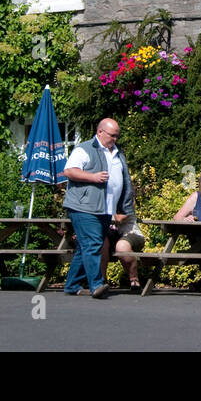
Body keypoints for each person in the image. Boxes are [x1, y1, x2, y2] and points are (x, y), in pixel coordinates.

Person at [62, 118, 133, 299]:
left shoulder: (117, 153)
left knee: (85, 246)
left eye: (117, 136)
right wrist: (92, 177)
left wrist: (123, 206)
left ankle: (72, 285)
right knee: (93, 244)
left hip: (105, 209)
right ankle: (96, 285)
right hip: (84, 207)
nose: (115, 139)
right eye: (112, 135)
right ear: (100, 132)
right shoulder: (85, 149)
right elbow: (69, 171)